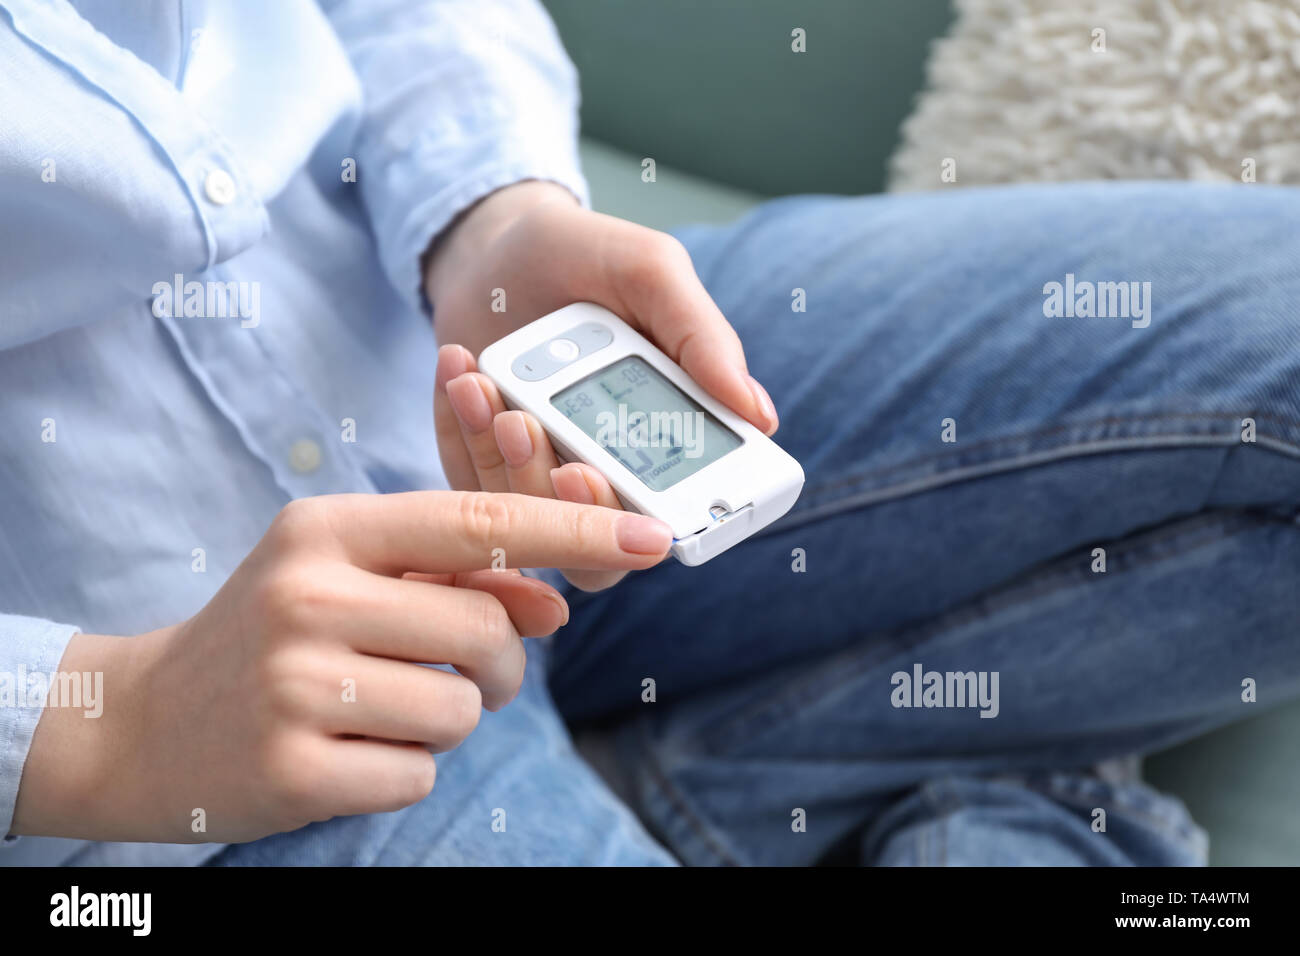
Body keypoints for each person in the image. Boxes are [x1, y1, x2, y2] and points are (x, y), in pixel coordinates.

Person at [1, 0, 1296, 867]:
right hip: (208, 740)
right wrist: (97, 725)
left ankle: (684, 792)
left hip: (466, 350)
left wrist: (492, 216)